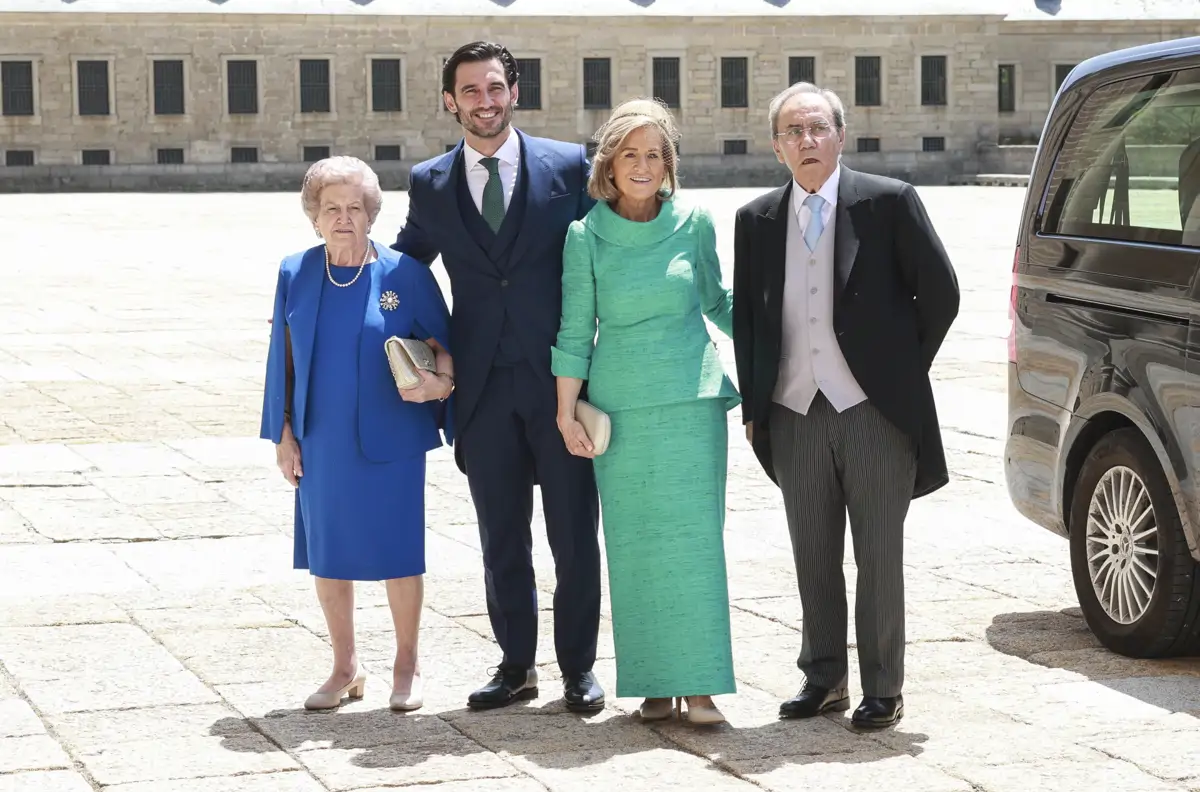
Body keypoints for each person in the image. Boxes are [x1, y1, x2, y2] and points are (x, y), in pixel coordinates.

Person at [731, 83, 959, 729]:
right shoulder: (755, 220)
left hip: (874, 413)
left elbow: (939, 295)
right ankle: (823, 678)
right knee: (812, 554)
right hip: (793, 410)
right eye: (793, 131)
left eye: (817, 128)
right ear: (777, 146)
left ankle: (883, 687)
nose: (806, 140)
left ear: (840, 135)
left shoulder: (888, 203)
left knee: (879, 555)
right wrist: (756, 406)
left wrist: (898, 374)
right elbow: (749, 318)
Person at [391, 41, 605, 712]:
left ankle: (577, 669)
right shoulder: (429, 181)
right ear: (450, 101)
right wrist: (356, 294)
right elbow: (404, 265)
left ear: (514, 91)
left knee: (573, 535)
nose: (485, 102)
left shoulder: (569, 166)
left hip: (561, 385)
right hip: (479, 391)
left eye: (496, 88)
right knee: (500, 538)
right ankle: (516, 665)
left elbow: (608, 252)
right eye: (471, 91)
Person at [553, 99, 739, 726]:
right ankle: (655, 685)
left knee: (694, 544)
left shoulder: (695, 222)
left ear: (667, 165)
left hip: (691, 404)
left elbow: (720, 302)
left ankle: (703, 684)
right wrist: (565, 412)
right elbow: (575, 331)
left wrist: (799, 326)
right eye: (629, 153)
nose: (642, 165)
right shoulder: (585, 236)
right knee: (634, 547)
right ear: (609, 164)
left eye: (653, 154)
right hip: (620, 411)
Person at [261, 156, 455, 713]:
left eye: (354, 208)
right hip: (320, 439)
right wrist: (283, 433)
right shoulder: (295, 272)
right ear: (314, 218)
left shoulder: (405, 274)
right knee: (329, 554)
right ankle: (345, 666)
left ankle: (407, 662)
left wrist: (438, 387)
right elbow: (284, 359)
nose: (343, 218)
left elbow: (445, 348)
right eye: (331, 209)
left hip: (391, 438)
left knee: (399, 552)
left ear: (372, 213)